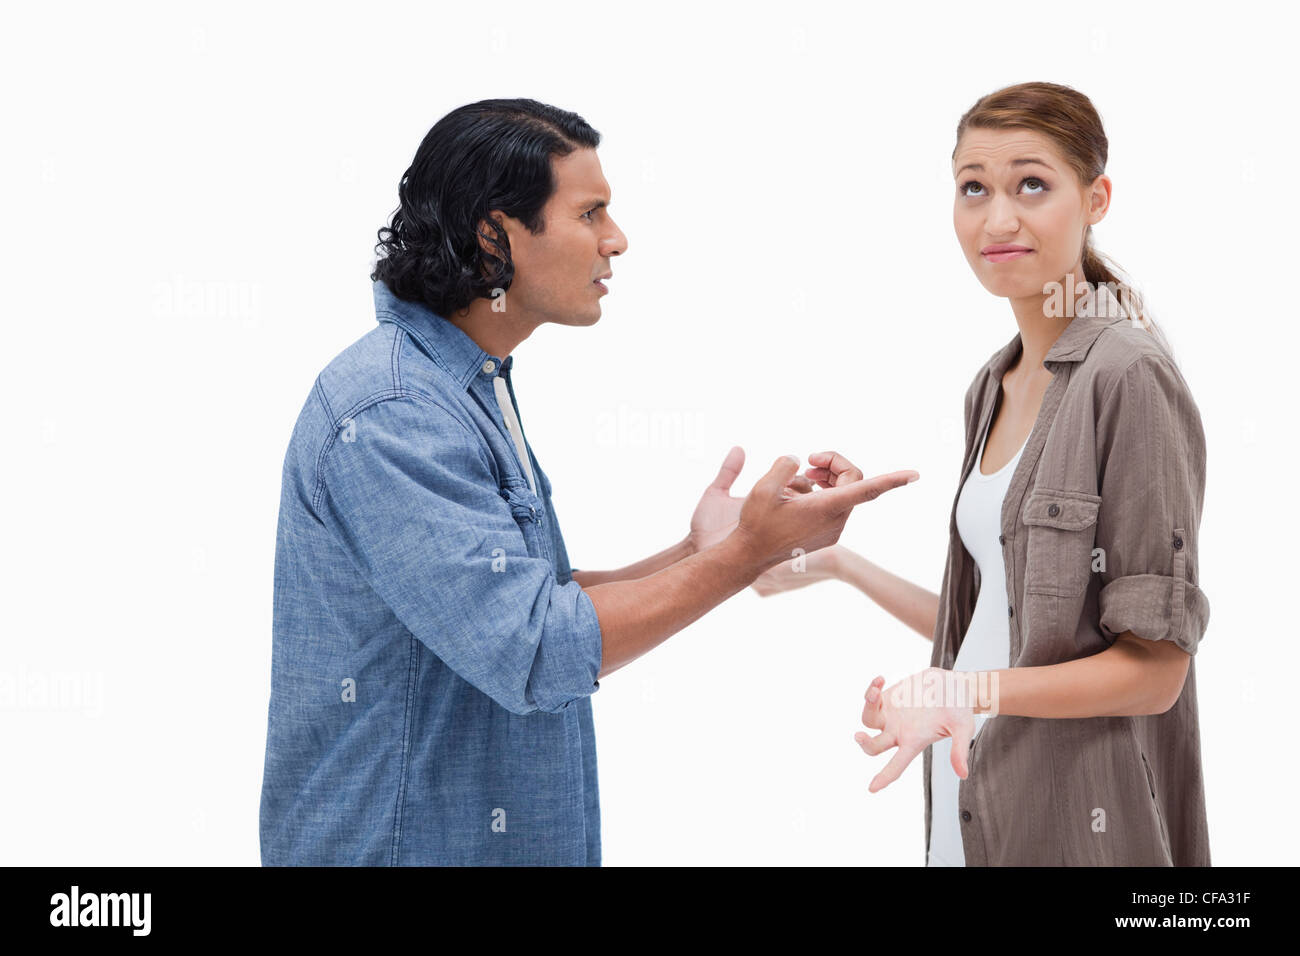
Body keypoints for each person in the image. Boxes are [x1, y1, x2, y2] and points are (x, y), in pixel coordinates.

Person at [257, 98, 918, 866]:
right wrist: (741, 557)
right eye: (590, 213)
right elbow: (536, 648)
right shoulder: (395, 411)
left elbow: (531, 599)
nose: (617, 239)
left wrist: (713, 547)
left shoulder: (463, 386)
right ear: (493, 234)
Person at [757, 82, 1210, 866]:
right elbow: (1008, 629)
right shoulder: (992, 383)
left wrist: (961, 691)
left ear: (1095, 197)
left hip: (1074, 827)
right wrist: (833, 562)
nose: (997, 219)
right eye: (974, 188)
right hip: (972, 814)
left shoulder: (1127, 376)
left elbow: (1153, 672)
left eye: (1032, 184)